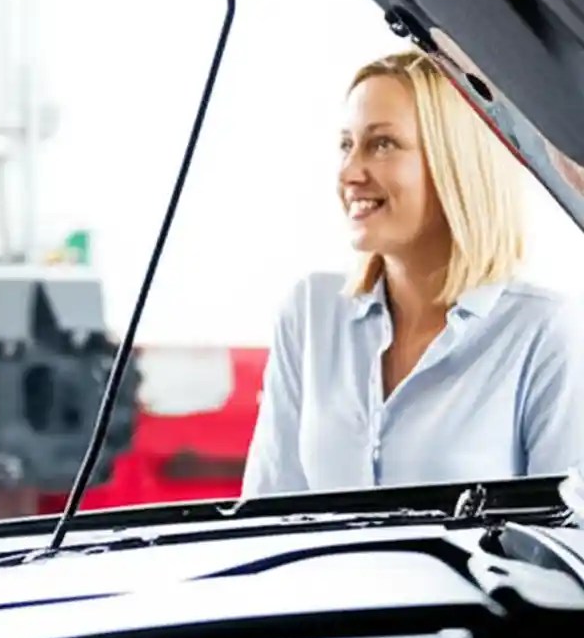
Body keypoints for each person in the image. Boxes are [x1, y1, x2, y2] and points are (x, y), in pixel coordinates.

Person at [240, 49, 584, 498]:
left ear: (454, 162)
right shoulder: (309, 312)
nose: (350, 172)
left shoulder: (545, 332)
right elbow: (268, 512)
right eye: (347, 144)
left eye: (382, 144)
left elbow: (565, 541)